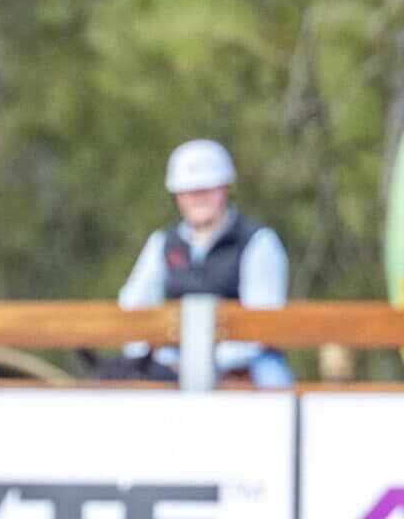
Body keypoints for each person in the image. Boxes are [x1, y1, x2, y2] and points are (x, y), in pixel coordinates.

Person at [115, 139, 293, 386]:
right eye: (189, 190)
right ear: (177, 195)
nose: (198, 197)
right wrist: (157, 359)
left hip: (246, 363)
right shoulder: (162, 244)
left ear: (224, 188)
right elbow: (132, 307)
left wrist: (202, 363)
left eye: (206, 188)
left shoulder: (258, 242)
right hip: (172, 363)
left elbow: (262, 325)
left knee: (274, 384)